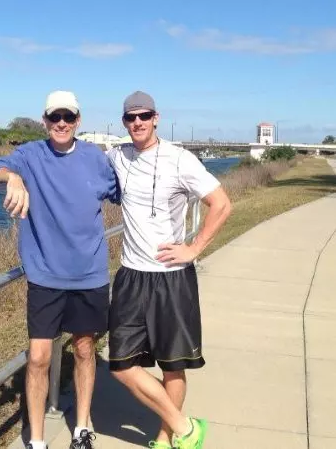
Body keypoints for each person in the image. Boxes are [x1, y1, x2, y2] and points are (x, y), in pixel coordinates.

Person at [0, 91, 120, 449]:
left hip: (89, 273)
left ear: (78, 121)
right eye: (55, 117)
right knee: (40, 358)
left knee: (86, 349)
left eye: (69, 117)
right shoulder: (30, 155)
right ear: (45, 120)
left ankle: (81, 428)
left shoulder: (96, 158)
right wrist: (11, 177)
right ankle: (38, 441)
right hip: (45, 276)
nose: (62, 123)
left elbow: (123, 192)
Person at [106, 91, 231, 449]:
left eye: (144, 115)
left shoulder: (180, 159)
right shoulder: (117, 156)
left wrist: (193, 248)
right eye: (131, 118)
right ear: (124, 122)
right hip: (131, 275)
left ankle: (165, 437)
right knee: (121, 365)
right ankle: (185, 426)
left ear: (156, 117)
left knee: (172, 364)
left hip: (171, 278)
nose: (138, 123)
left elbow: (221, 204)